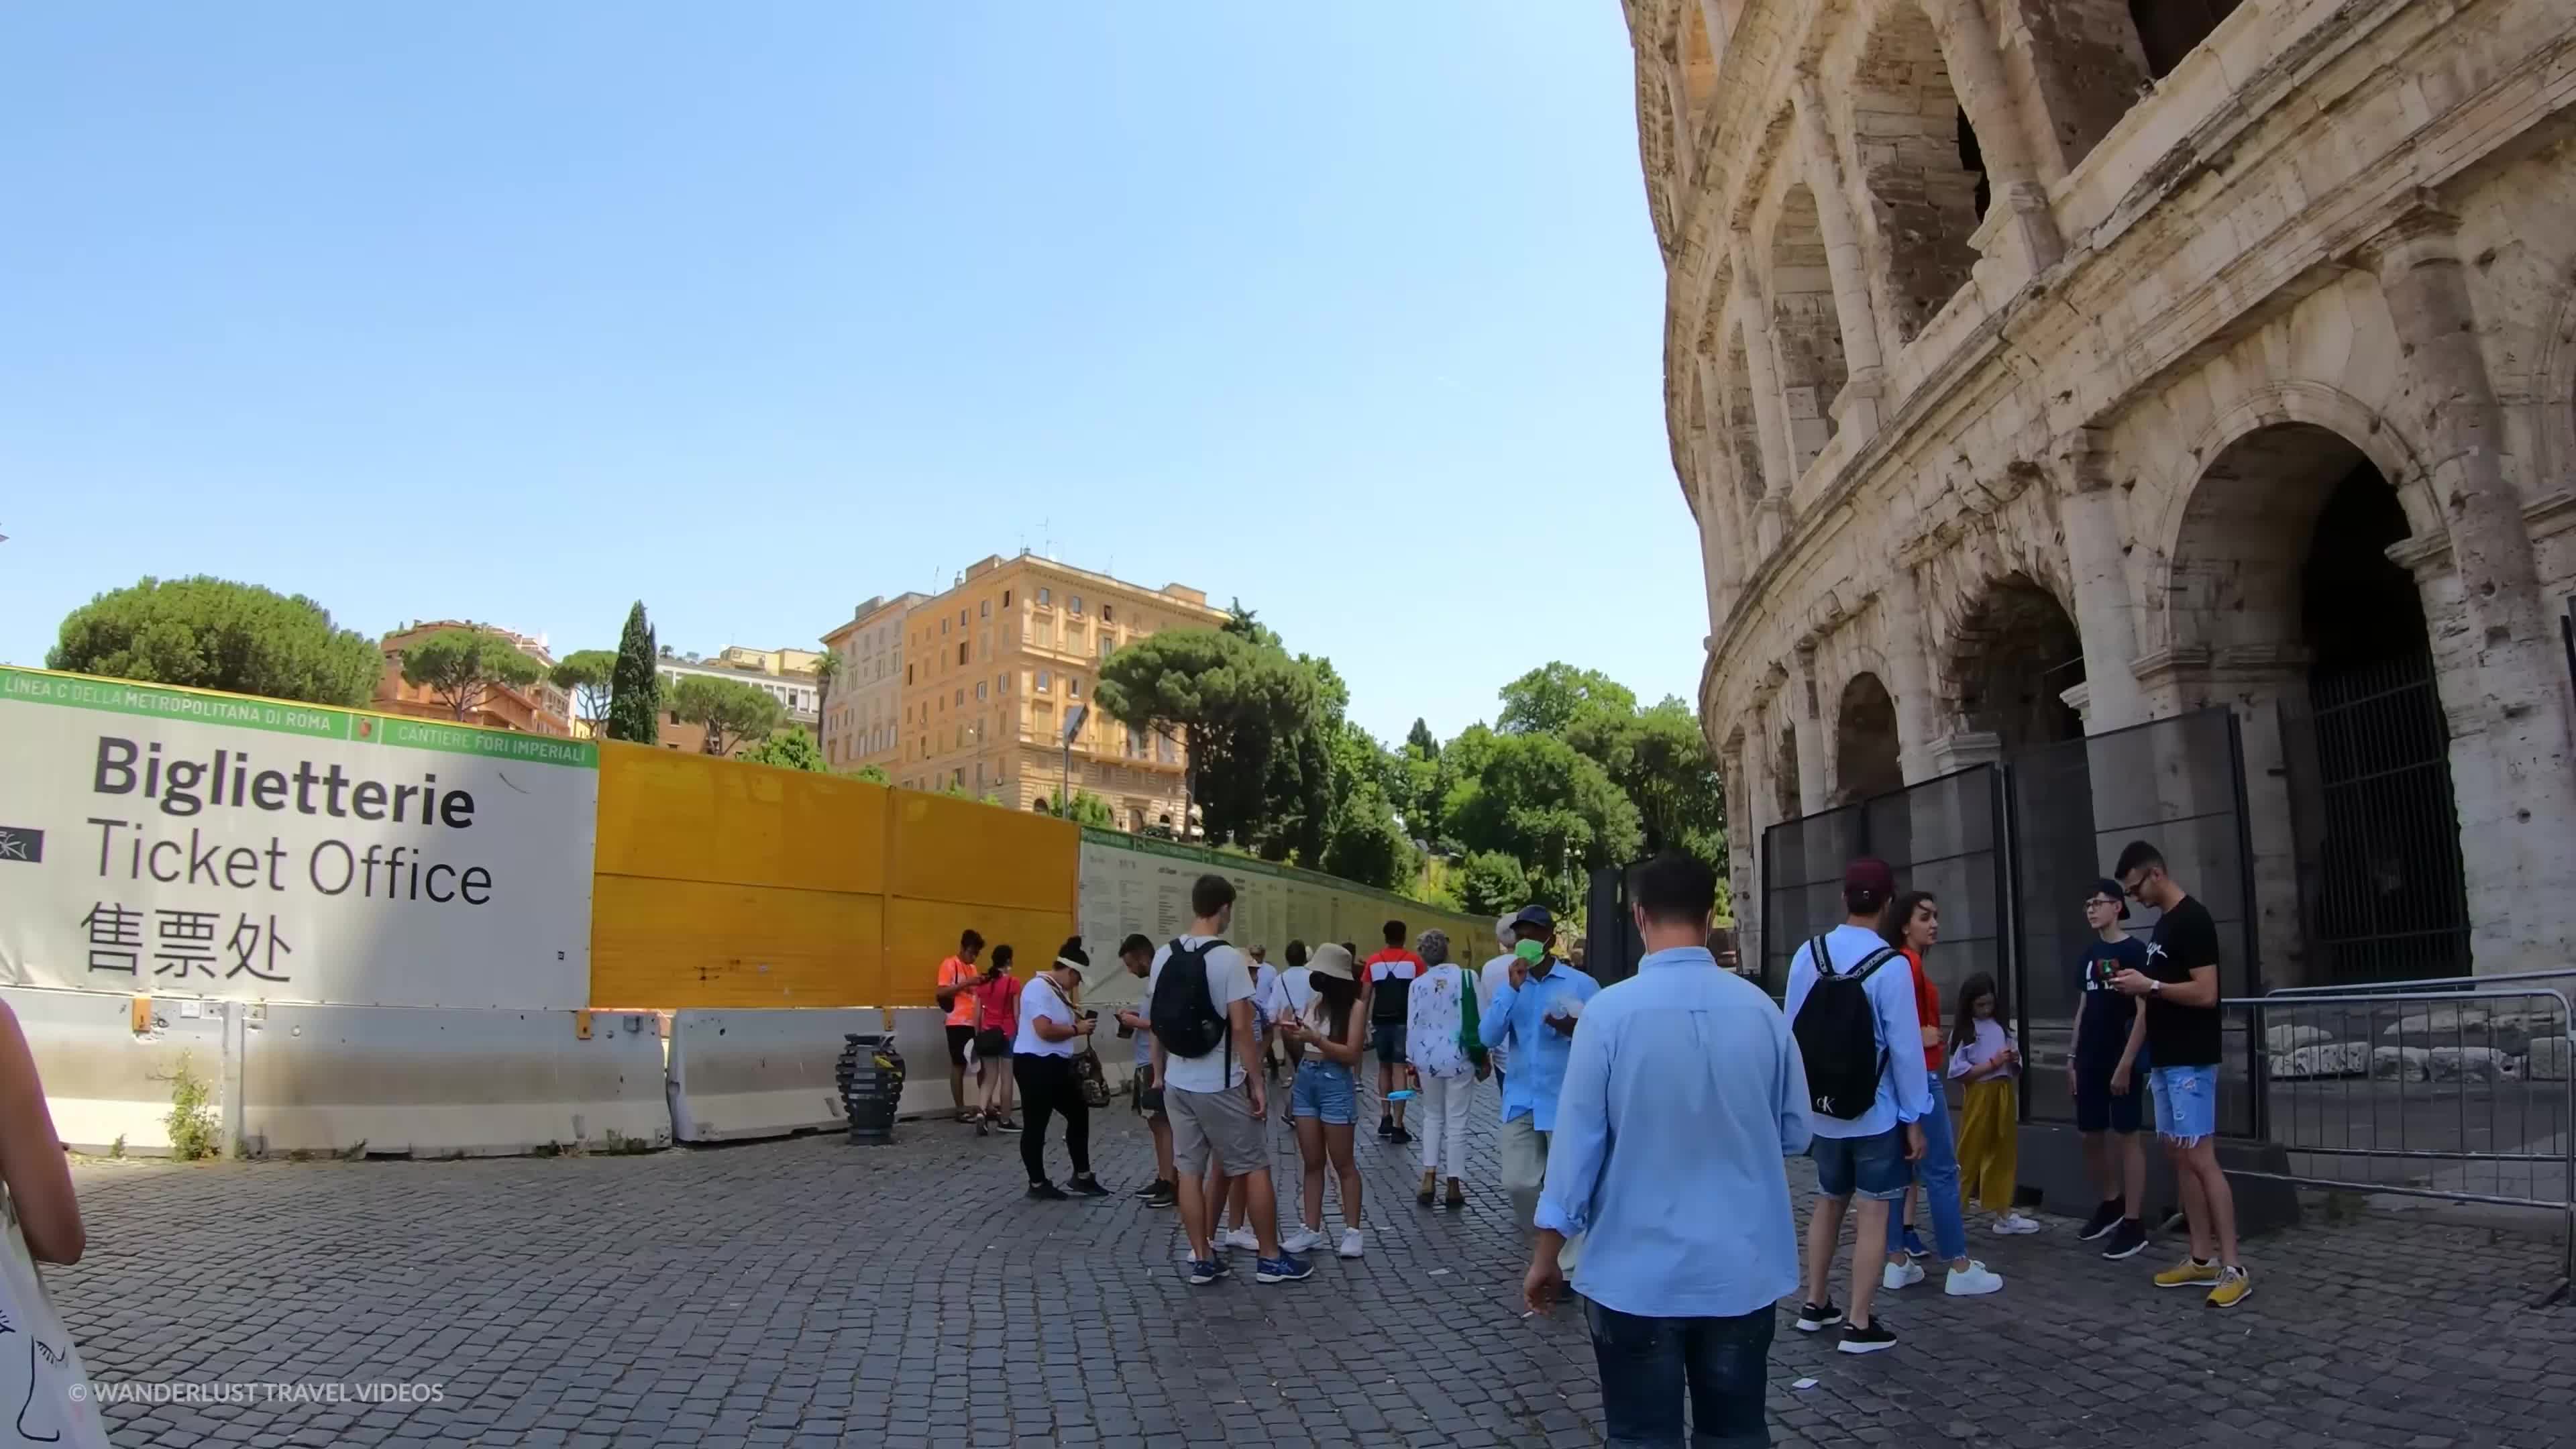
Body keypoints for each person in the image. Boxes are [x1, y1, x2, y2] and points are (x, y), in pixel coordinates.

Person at [1524, 853, 1807, 1447]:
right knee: (1736, 1434)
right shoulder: (1764, 1012)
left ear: (1639, 917)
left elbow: (1576, 1152)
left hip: (1636, 1272)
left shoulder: (1608, 1015)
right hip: (1741, 1268)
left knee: (1640, 1437)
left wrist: (1547, 1253)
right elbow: (1795, 1132)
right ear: (1710, 917)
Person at [1784, 857, 1929, 1355]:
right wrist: (1915, 1117)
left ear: (1845, 898)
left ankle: (1814, 1302)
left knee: (1828, 1201)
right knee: (1873, 1212)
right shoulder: (1890, 965)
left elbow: (1791, 1029)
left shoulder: (1810, 953)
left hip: (1821, 1112)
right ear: (1888, 903)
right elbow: (1905, 1049)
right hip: (1875, 1110)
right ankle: (1860, 1322)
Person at [1150, 873, 1309, 1286]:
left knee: (1189, 1171)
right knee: (1253, 1165)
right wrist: (1257, 1083)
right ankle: (1271, 1258)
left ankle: (1203, 1257)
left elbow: (1156, 1022)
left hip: (1178, 1082)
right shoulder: (1228, 960)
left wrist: (1159, 1073)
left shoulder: (1163, 955)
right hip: (1219, 1083)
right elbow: (1242, 1029)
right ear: (1223, 908)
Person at [2109, 840, 2249, 1308]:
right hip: (2165, 1058)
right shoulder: (2164, 926)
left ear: (2155, 873)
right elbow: (2154, 1000)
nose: (2134, 900)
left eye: (2135, 889)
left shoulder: (2193, 919)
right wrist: (2130, 1056)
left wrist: (2149, 984)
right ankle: (2201, 1256)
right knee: (2179, 1154)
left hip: (2191, 1056)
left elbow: (2206, 992)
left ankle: (2234, 1266)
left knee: (2201, 1156)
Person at [1874, 892, 2001, 1301]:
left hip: (1896, 1081)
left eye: (1936, 916)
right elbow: (1900, 1027)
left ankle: (1897, 1261)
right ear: (1904, 924)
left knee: (1899, 1175)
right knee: (1943, 1172)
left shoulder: (1897, 963)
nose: (1934, 924)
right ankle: (1959, 1265)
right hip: (1918, 1079)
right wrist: (1921, 1034)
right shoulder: (1907, 964)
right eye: (1925, 916)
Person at [1481, 906, 1601, 1246]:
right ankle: (1549, 1240)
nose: (1526, 941)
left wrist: (1571, 1028)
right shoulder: (1510, 984)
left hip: (1565, 1099)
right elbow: (1488, 1036)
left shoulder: (1581, 984)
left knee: (1567, 1186)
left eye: (1533, 934)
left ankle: (1566, 1267)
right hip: (1521, 1100)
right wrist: (1511, 990)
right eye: (1520, 936)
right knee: (1517, 1182)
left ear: (1550, 939)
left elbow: (1603, 1037)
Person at [2069, 879, 2151, 1260]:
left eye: (2097, 902)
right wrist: (2072, 1057)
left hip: (2122, 1058)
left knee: (2127, 1135)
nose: (2090, 909)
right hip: (2089, 1058)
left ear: (2117, 906)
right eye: (2086, 903)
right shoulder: (2088, 954)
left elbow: (2143, 1013)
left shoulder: (2137, 952)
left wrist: (2126, 1063)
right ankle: (2111, 1202)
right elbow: (2084, 1007)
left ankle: (2135, 1221)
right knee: (2090, 1134)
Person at [1275, 943, 1371, 1258]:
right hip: (1307, 1079)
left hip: (1334, 1082)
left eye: (1320, 973)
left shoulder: (1355, 1008)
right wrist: (1290, 1030)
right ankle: (1311, 1228)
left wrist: (1316, 1038)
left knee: (1343, 1162)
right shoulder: (1313, 1003)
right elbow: (1304, 1047)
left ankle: (1353, 1231)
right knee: (1312, 1161)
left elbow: (1352, 1054)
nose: (1315, 978)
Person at [1012, 940, 1108, 1199]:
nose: (1077, 984)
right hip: (1035, 1064)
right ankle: (1037, 1183)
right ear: (1070, 971)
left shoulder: (1056, 991)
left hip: (1055, 1065)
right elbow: (1043, 1030)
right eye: (1078, 978)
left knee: (1078, 1113)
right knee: (1036, 1124)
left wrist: (1077, 1024)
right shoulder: (1037, 989)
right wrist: (1077, 1030)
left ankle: (1082, 1176)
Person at [1947, 972, 2037, 1234]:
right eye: (1980, 1005)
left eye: (1990, 1004)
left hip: (2003, 1091)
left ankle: (2003, 1211)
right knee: (1970, 1149)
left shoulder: (2001, 1028)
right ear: (1969, 1004)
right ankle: (1955, 1211)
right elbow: (1959, 1073)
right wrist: (1993, 1064)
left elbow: (2015, 1066)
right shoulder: (1966, 1032)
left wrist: (2013, 1060)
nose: (1986, 1009)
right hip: (1980, 1093)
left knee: (2003, 1150)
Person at [1405, 929, 1481, 1210]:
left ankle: (1428, 1177)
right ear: (1447, 950)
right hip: (1460, 1057)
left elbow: (1413, 1025)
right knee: (1457, 1121)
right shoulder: (1467, 978)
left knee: (1432, 1117)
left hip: (1427, 1058)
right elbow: (1480, 1018)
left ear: (1422, 954)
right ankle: (1453, 1184)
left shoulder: (1418, 985)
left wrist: (1411, 1062)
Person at [1116, 932, 1177, 1209]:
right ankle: (1163, 1177)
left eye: (1130, 964)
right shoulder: (1155, 982)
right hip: (1147, 1061)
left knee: (1163, 1124)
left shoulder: (1161, 981)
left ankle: (1171, 1182)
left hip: (1156, 1063)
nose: (1130, 970)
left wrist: (1133, 1021)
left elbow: (1161, 1023)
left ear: (1142, 957)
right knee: (1155, 1124)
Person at [1364, 920, 1424, 1143]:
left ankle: (1385, 1117)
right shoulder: (1414, 961)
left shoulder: (1373, 961)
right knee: (1400, 1069)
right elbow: (1420, 994)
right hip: (1403, 1021)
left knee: (1384, 1067)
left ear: (1385, 936)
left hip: (1380, 1021)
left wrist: (1364, 1025)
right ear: (1404, 936)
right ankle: (1399, 1125)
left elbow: (1365, 995)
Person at [934, 928, 986, 1122]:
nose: (973, 957)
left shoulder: (972, 968)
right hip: (956, 1023)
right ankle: (960, 1108)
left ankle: (985, 1105)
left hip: (974, 1022)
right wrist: (966, 984)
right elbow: (941, 992)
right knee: (959, 1064)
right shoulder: (950, 964)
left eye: (976, 954)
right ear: (963, 948)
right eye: (971, 952)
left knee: (980, 1064)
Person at [971, 944, 1022, 1136]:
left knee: (989, 1077)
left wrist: (977, 1036)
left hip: (987, 1034)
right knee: (1006, 1078)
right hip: (1008, 1034)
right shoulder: (1013, 983)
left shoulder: (983, 984)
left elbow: (976, 1015)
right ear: (1008, 961)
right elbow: (1017, 1014)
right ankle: (1005, 1120)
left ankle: (982, 1111)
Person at [1478, 914, 1516, 1098]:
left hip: (1502, 1052)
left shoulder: (1489, 968)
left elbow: (1486, 1010)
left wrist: (1485, 1053)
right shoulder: (1534, 964)